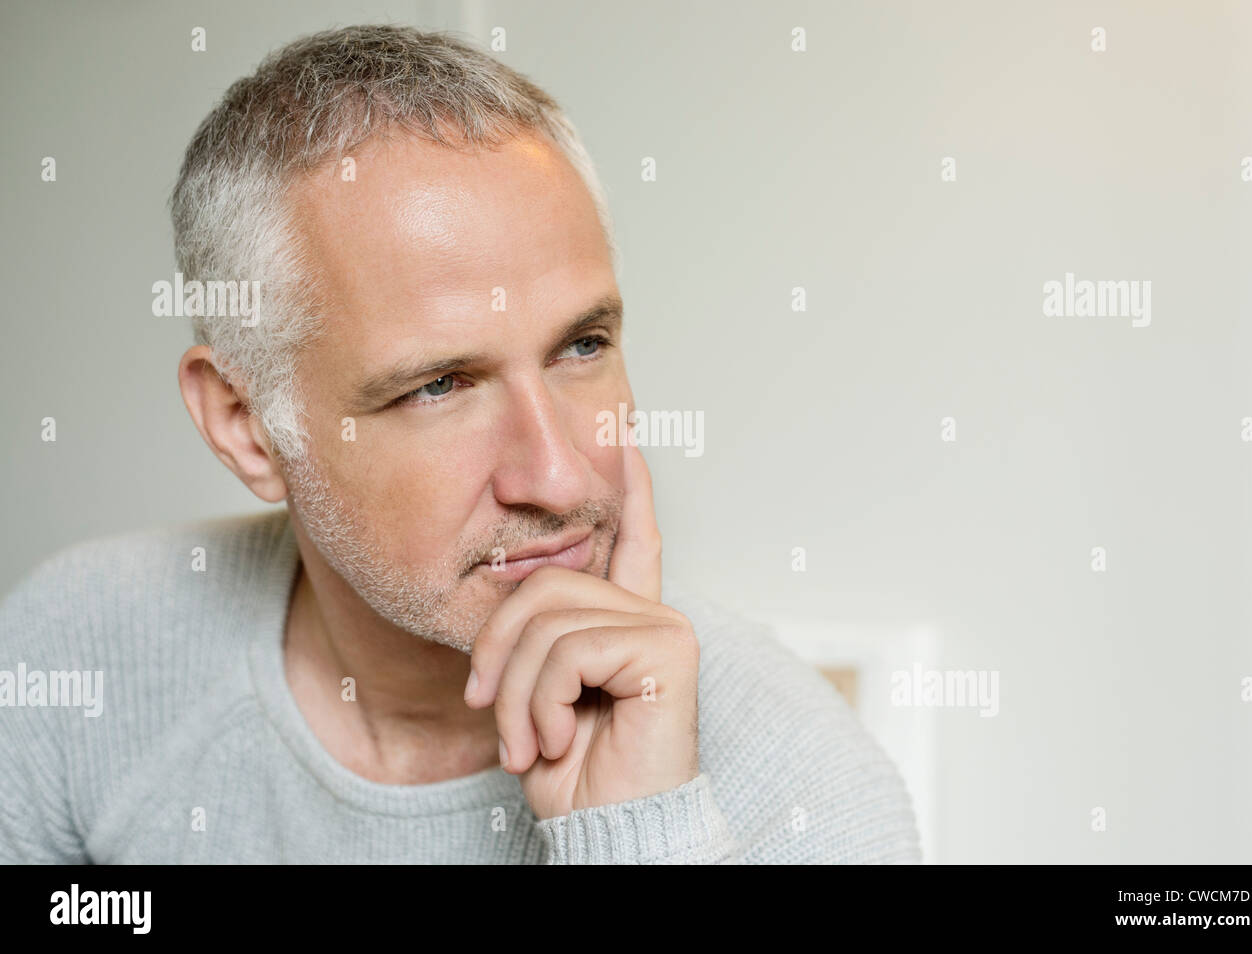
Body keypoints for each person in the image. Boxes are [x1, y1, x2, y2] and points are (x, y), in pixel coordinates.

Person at [0, 24, 920, 864]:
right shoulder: (71, 657)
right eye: (438, 386)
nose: (559, 477)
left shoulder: (810, 798)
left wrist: (638, 840)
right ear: (247, 425)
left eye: (583, 346)